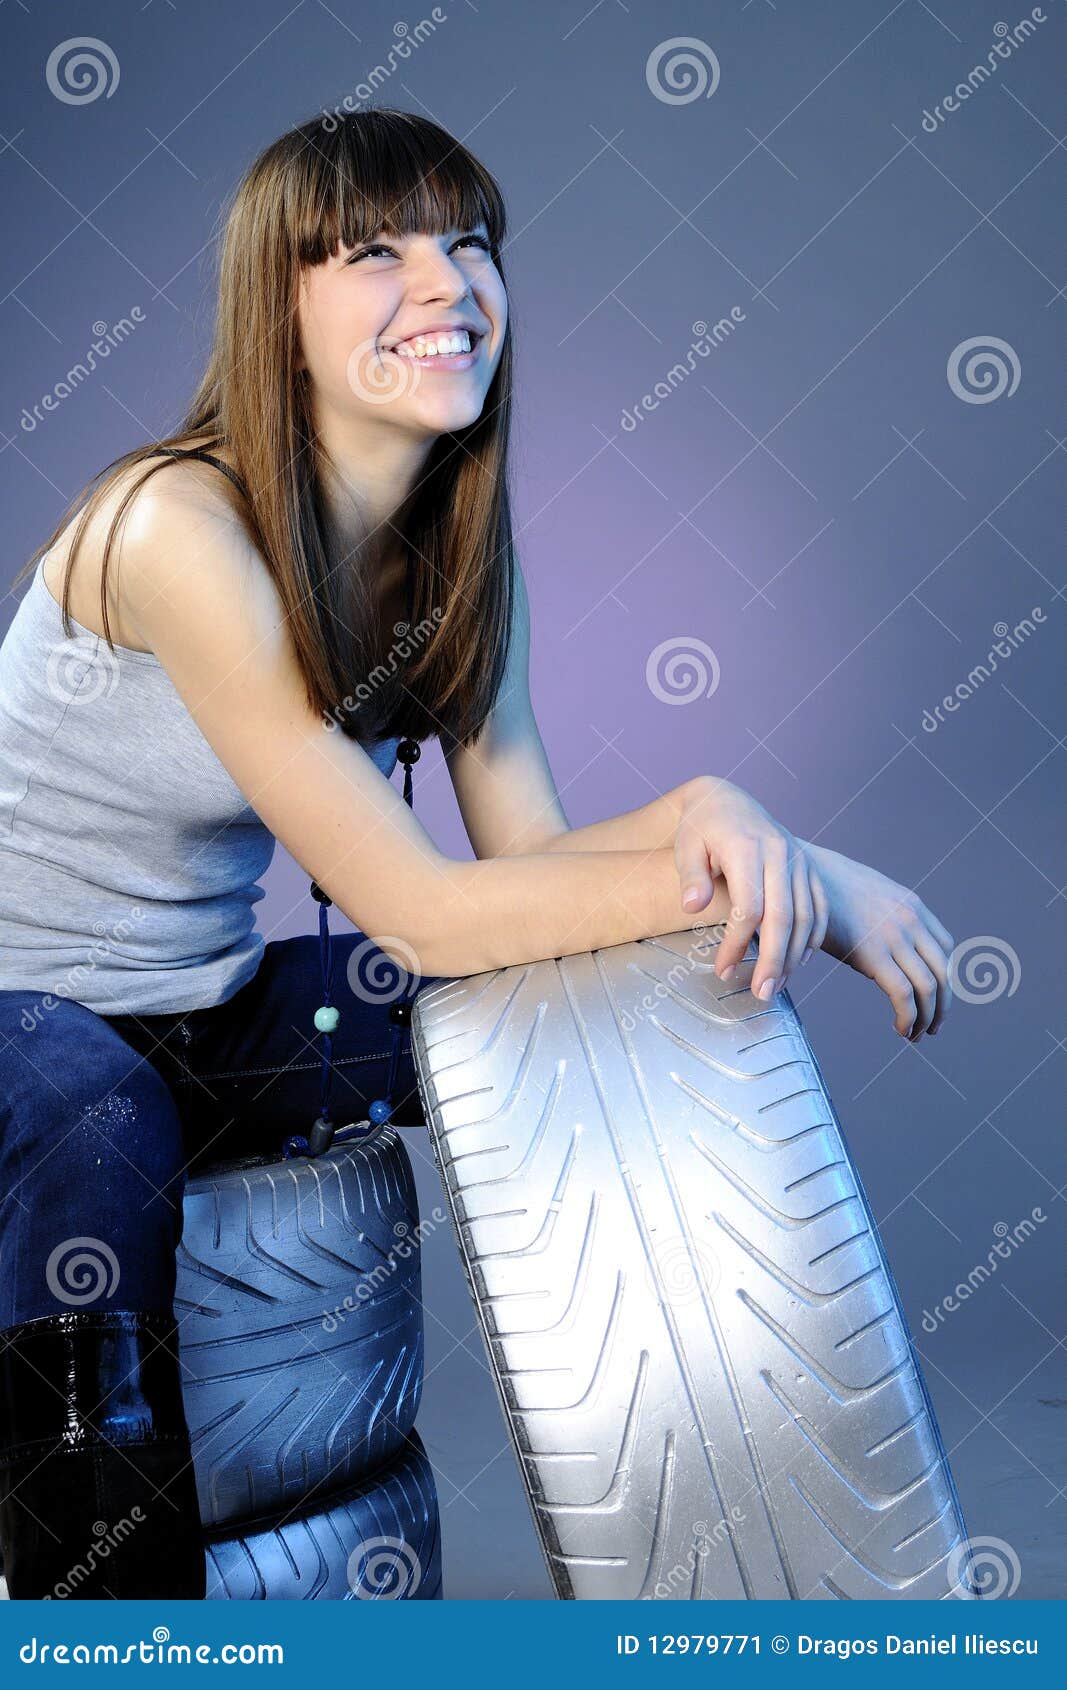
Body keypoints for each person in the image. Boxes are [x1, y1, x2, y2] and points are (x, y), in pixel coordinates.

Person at [0, 108, 955, 1600]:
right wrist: (812, 895)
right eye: (375, 249)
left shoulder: (440, 560)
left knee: (589, 995)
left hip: (195, 1013)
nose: (446, 283)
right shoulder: (172, 525)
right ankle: (99, 1615)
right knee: (91, 1110)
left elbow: (536, 877)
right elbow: (430, 909)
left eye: (470, 241)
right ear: (280, 307)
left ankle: (744, 1553)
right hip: (26, 1035)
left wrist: (734, 817)